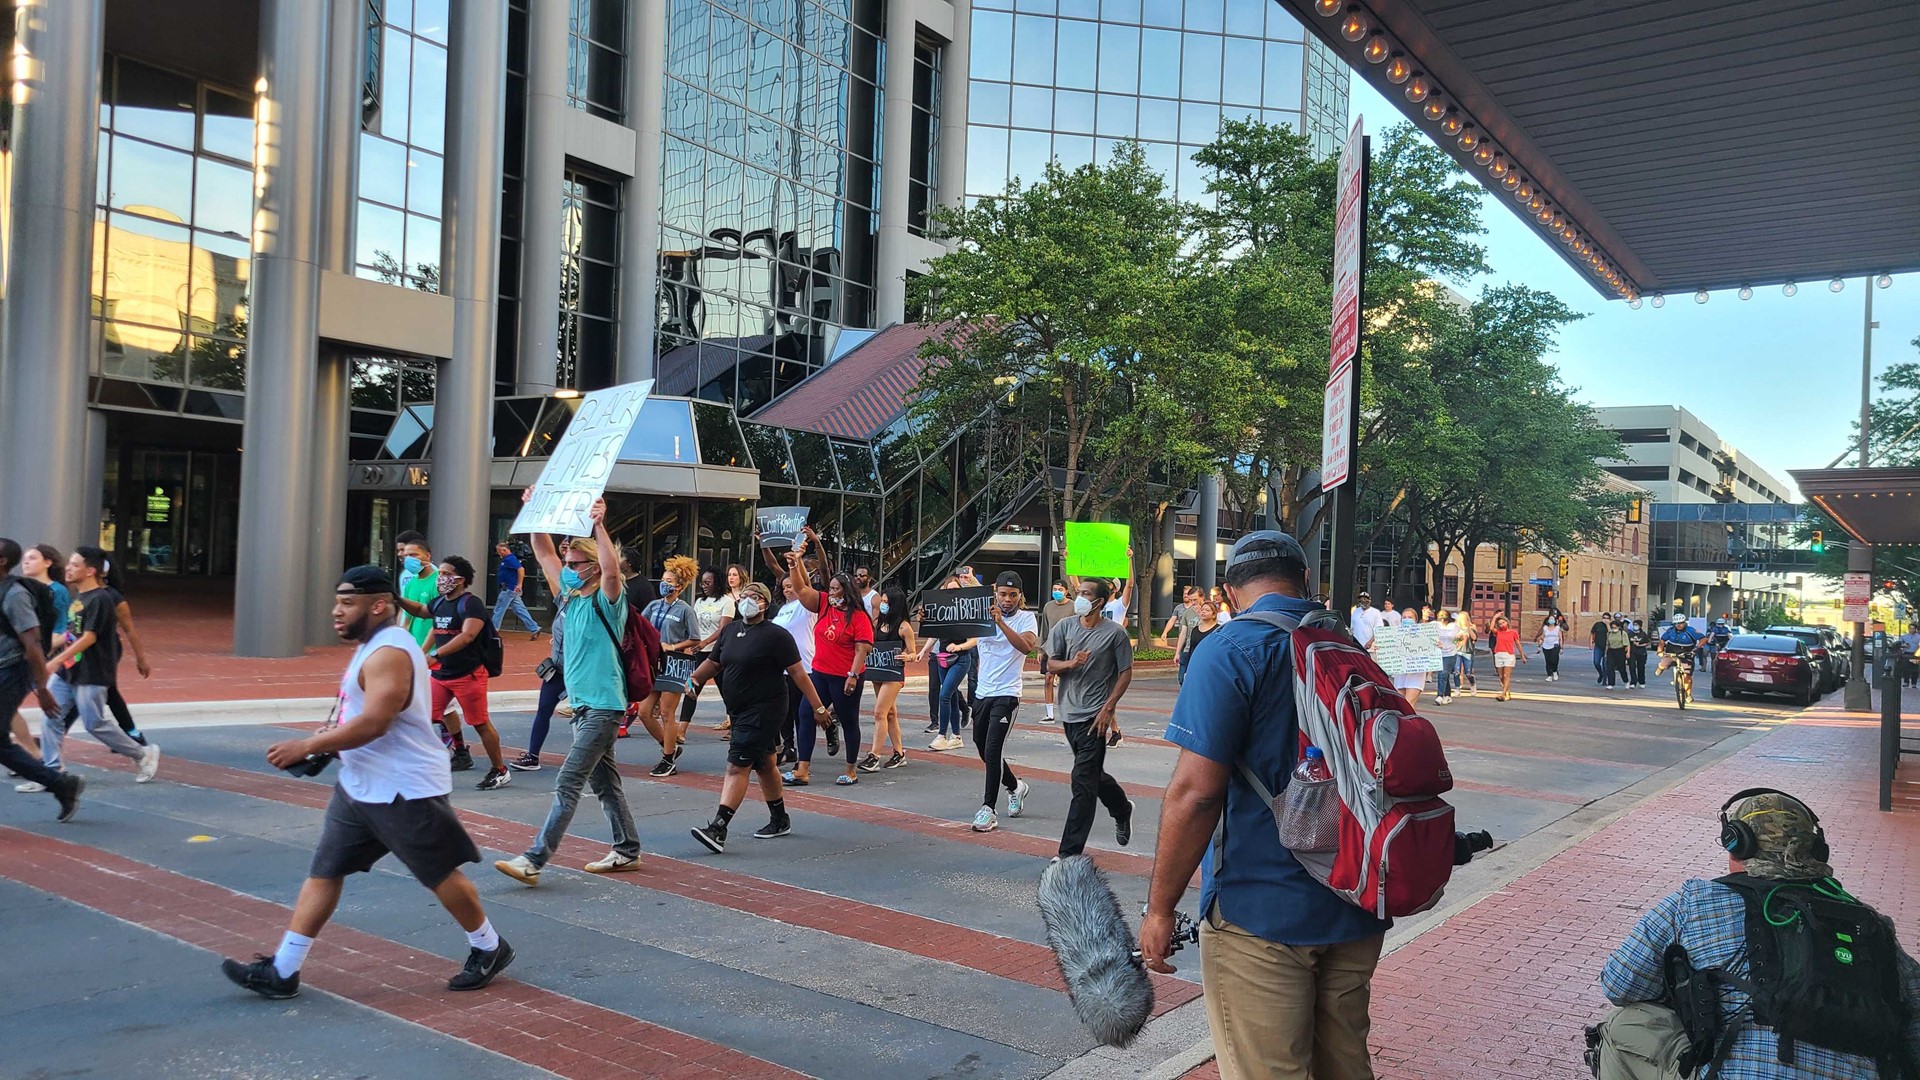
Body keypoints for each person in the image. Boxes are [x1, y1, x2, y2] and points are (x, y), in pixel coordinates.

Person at [1142, 531, 1388, 1080]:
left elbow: (1196, 794)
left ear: (1230, 593)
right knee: (1346, 1066)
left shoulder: (1228, 649)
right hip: (1356, 898)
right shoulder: (1348, 647)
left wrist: (1159, 910)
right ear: (1305, 580)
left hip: (1260, 912)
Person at [223, 565, 512, 999]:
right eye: (337, 602)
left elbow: (377, 720)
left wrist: (309, 745)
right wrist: (334, 739)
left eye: (346, 603)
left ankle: (488, 946)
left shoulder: (389, 652)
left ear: (378, 605)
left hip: (402, 787)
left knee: (438, 873)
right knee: (325, 870)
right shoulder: (373, 645)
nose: (336, 611)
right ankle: (283, 970)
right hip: (360, 784)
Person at [1592, 790, 1920, 1078]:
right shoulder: (1870, 923)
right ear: (1817, 851)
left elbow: (1620, 984)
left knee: (1623, 1026)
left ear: (1736, 843)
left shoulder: (1695, 900)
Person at [495, 496, 644, 885]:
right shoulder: (568, 598)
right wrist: (535, 511)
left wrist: (599, 525)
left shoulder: (608, 599)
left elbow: (611, 570)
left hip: (604, 707)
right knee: (605, 784)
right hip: (581, 707)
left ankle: (534, 859)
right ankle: (627, 849)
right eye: (569, 564)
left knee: (568, 782)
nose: (568, 569)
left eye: (576, 564)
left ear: (592, 566)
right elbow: (544, 553)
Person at [687, 582, 836, 852]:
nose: (748, 601)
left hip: (765, 709)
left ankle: (718, 828)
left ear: (765, 603)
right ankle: (779, 819)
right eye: (744, 596)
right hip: (739, 710)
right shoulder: (731, 630)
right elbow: (715, 662)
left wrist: (818, 708)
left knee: (737, 765)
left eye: (754, 597)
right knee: (766, 764)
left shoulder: (776, 635)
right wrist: (695, 678)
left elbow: (798, 674)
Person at [40, 547, 159, 783]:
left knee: (94, 723)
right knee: (51, 715)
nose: (68, 568)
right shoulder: (79, 597)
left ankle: (142, 753)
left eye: (75, 565)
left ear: (90, 571)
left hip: (92, 672)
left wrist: (55, 660)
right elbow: (72, 633)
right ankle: (51, 771)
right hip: (68, 671)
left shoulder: (102, 599)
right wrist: (46, 650)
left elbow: (89, 637)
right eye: (69, 563)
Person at [396, 555, 508, 790]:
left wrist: (436, 654)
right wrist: (397, 598)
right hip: (442, 674)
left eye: (446, 574)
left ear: (460, 579)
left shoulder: (471, 604)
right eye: (441, 574)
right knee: (423, 717)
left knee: (480, 723)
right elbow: (421, 610)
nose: (441, 578)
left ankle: (499, 770)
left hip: (468, 674)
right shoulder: (439, 603)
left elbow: (468, 635)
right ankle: (427, 763)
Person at [1046, 578, 1136, 857]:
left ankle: (1068, 855)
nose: (1079, 598)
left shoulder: (1115, 634)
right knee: (1093, 776)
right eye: (1078, 592)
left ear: (1100, 602)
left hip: (1095, 716)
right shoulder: (1065, 627)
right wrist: (1071, 663)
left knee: (1082, 783)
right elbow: (1049, 664)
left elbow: (1125, 672)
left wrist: (1109, 708)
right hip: (1069, 712)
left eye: (1085, 594)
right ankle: (1121, 808)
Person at [0, 538, 84, 819]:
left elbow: (33, 644)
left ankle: (60, 783)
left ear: (2, 561)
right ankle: (60, 784)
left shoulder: (15, 595)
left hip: (12, 670)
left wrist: (42, 689)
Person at [786, 533, 872, 787]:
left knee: (849, 720)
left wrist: (853, 675)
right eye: (831, 588)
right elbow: (801, 589)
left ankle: (851, 769)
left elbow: (862, 648)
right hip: (820, 673)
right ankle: (802, 769)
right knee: (805, 713)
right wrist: (794, 564)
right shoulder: (824, 604)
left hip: (845, 677)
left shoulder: (858, 616)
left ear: (847, 591)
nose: (831, 592)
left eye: (836, 589)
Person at [968, 571, 1039, 833]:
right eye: (1003, 594)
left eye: (1012, 595)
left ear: (1020, 596)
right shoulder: (982, 615)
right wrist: (929, 621)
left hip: (1007, 694)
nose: (1007, 599)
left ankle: (988, 808)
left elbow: (1027, 647)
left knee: (993, 750)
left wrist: (1001, 623)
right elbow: (954, 629)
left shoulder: (1026, 618)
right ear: (995, 593)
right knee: (981, 747)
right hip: (983, 693)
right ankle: (1015, 787)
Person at [633, 555, 699, 772]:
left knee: (666, 712)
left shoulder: (685, 610)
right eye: (663, 580)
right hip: (653, 663)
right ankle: (668, 746)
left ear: (679, 586)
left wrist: (673, 646)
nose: (664, 584)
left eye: (669, 581)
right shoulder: (653, 606)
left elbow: (695, 638)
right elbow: (640, 627)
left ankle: (668, 759)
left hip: (673, 664)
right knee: (644, 711)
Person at [508, 544, 569, 773]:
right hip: (558, 668)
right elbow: (548, 562)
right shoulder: (564, 600)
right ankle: (533, 755)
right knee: (544, 708)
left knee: (586, 717)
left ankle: (597, 759)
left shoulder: (591, 604)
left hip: (582, 671)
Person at [858, 586, 915, 772]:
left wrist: (908, 656)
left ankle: (874, 755)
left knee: (879, 712)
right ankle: (899, 752)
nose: (882, 605)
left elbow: (913, 652)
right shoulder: (878, 622)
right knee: (890, 713)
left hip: (893, 674)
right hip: (878, 671)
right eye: (882, 601)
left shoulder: (904, 627)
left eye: (885, 602)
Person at [918, 574, 977, 751]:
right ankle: (956, 736)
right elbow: (934, 635)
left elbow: (975, 639)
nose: (952, 593)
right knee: (950, 697)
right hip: (942, 658)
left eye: (955, 590)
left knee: (944, 695)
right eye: (949, 590)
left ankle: (942, 734)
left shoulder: (966, 612)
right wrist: (923, 651)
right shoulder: (941, 611)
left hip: (960, 658)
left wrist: (959, 647)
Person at [678, 567, 735, 739]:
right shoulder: (699, 602)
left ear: (717, 583)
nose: (703, 586)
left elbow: (723, 628)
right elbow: (694, 625)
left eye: (707, 583)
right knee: (692, 688)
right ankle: (681, 731)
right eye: (702, 583)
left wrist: (706, 642)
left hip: (718, 652)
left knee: (727, 691)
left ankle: (735, 727)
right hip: (699, 652)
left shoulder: (727, 602)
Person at [771, 573, 816, 764]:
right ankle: (788, 747)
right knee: (784, 712)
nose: (787, 590)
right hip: (782, 668)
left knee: (801, 713)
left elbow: (808, 582)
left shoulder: (807, 606)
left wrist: (795, 564)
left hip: (804, 667)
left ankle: (805, 756)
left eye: (790, 586)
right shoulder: (783, 609)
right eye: (784, 587)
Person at [1041, 580, 1079, 717]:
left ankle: (1070, 709)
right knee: (1048, 678)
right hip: (1051, 648)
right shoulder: (1048, 606)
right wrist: (1041, 649)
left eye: (1060, 590)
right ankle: (1049, 713)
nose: (1057, 592)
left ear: (1066, 592)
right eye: (1055, 589)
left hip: (1068, 648)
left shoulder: (1073, 606)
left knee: (1068, 681)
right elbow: (1045, 628)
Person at [489, 541, 542, 638]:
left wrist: (519, 584)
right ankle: (534, 628)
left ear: (504, 550)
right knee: (520, 610)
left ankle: (493, 630)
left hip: (509, 588)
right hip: (511, 588)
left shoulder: (509, 559)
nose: (498, 553)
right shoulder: (509, 559)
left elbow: (521, 569)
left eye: (499, 551)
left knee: (499, 609)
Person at [1177, 598, 1222, 686]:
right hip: (1195, 664)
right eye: (1202, 610)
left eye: (1207, 610)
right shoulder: (1195, 630)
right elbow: (1191, 649)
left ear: (1213, 614)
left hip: (1210, 666)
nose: (1203, 612)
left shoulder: (1218, 630)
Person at [1490, 613, 1525, 701]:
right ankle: (1507, 691)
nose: (1502, 625)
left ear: (1507, 623)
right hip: (1499, 654)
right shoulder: (1498, 632)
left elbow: (1518, 644)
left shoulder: (1513, 633)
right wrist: (1495, 617)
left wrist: (1522, 655)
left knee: (1506, 675)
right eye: (1500, 624)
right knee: (1501, 676)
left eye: (1503, 623)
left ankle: (1502, 694)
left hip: (1509, 655)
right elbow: (1491, 628)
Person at [1434, 608, 1462, 704]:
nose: (1442, 619)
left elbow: (1461, 637)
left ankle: (1439, 696)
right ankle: (1447, 695)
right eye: (1440, 617)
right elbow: (1425, 629)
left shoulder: (1454, 626)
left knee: (1442, 673)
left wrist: (1456, 641)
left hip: (1450, 653)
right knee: (1444, 674)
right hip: (1438, 653)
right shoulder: (1435, 625)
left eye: (1444, 617)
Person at [1602, 618, 1630, 690]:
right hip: (1611, 651)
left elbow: (1627, 644)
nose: (1614, 629)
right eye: (1612, 627)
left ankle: (1626, 681)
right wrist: (1605, 653)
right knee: (1610, 667)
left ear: (1618, 627)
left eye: (1615, 627)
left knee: (1621, 668)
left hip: (1620, 651)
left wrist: (1628, 653)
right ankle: (1611, 683)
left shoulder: (1622, 633)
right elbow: (1607, 644)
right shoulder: (1609, 633)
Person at [1627, 618, 1652, 689]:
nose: (1635, 626)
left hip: (1641, 653)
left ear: (1640, 626)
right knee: (1632, 667)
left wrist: (1640, 645)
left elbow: (1647, 643)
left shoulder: (1643, 634)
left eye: (1637, 625)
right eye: (1634, 625)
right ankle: (1633, 682)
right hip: (1632, 653)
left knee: (1641, 667)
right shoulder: (1630, 634)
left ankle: (1641, 681)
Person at [1538, 612, 1563, 682]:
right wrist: (1539, 645)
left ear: (1555, 621)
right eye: (1550, 619)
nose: (1551, 620)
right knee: (1548, 661)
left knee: (1554, 660)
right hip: (1546, 646)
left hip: (1555, 645)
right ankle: (1549, 675)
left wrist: (1561, 648)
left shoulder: (1557, 628)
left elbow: (1560, 638)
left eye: (1552, 619)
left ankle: (1555, 671)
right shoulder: (1545, 628)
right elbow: (1542, 637)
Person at [1591, 613, 1611, 685]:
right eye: (1604, 617)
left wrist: (1608, 625)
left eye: (1607, 618)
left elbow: (1611, 633)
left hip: (1607, 647)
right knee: (1596, 662)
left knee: (1605, 665)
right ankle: (1601, 673)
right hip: (1598, 646)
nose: (1605, 619)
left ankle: (1605, 680)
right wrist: (1591, 643)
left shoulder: (1611, 626)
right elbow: (1592, 633)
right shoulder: (1598, 624)